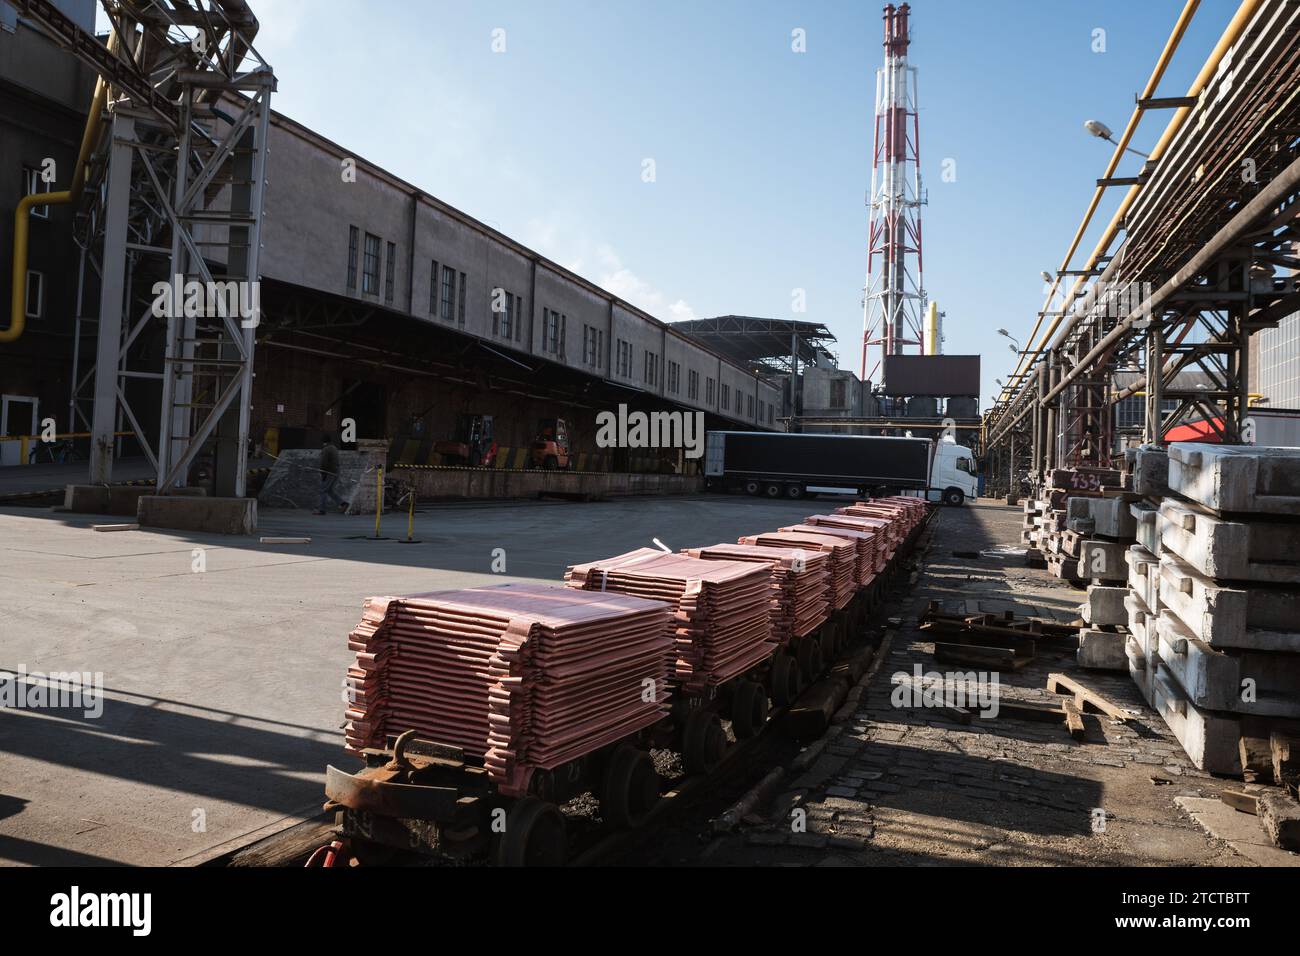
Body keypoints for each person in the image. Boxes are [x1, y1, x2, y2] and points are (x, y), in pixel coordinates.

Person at [315, 436, 346, 514]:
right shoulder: (334, 448)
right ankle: (343, 503)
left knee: (323, 490)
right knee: (329, 490)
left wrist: (323, 473)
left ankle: (322, 510)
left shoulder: (326, 449)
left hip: (329, 472)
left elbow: (323, 462)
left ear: (324, 442)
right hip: (336, 471)